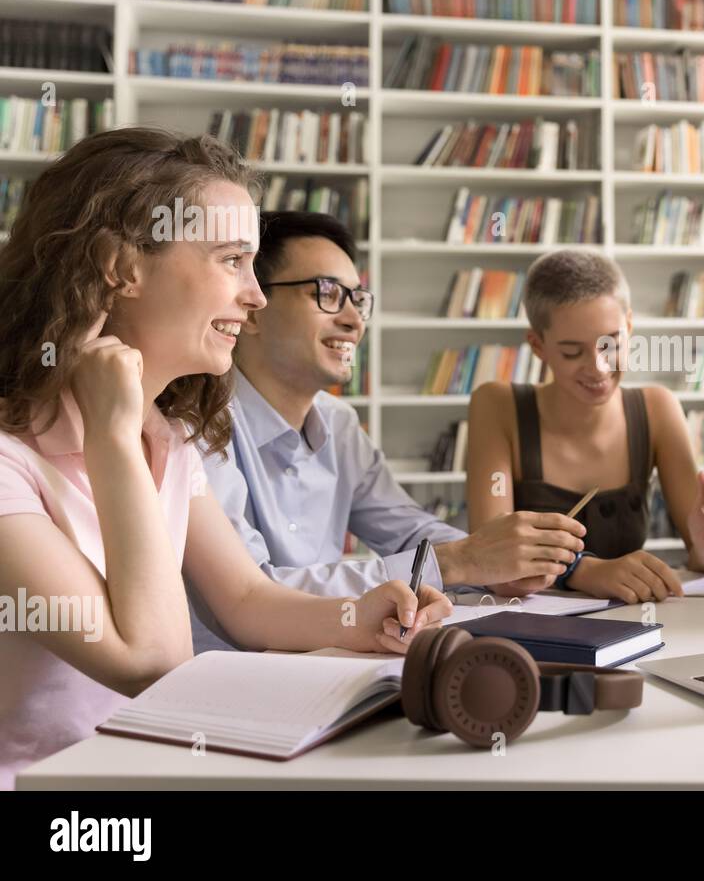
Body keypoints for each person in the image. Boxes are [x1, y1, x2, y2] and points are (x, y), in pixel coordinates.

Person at [0, 128, 449, 789]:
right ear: (121, 267)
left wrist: (360, 614)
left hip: (140, 778)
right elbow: (151, 660)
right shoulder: (17, 461)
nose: (257, 295)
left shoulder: (168, 437)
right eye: (232, 260)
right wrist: (113, 437)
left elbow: (246, 598)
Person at [194, 210, 587, 652]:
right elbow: (258, 593)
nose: (353, 320)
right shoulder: (198, 424)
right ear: (252, 307)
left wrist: (501, 559)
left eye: (357, 299)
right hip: (232, 681)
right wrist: (461, 561)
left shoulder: (338, 423)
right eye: (327, 293)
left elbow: (405, 530)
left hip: (327, 662)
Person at [467, 249, 704, 604]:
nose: (598, 368)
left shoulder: (657, 409)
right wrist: (587, 571)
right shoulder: (498, 406)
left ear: (629, 326)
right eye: (572, 352)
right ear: (537, 346)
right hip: (530, 637)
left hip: (634, 629)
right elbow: (491, 562)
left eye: (611, 344)